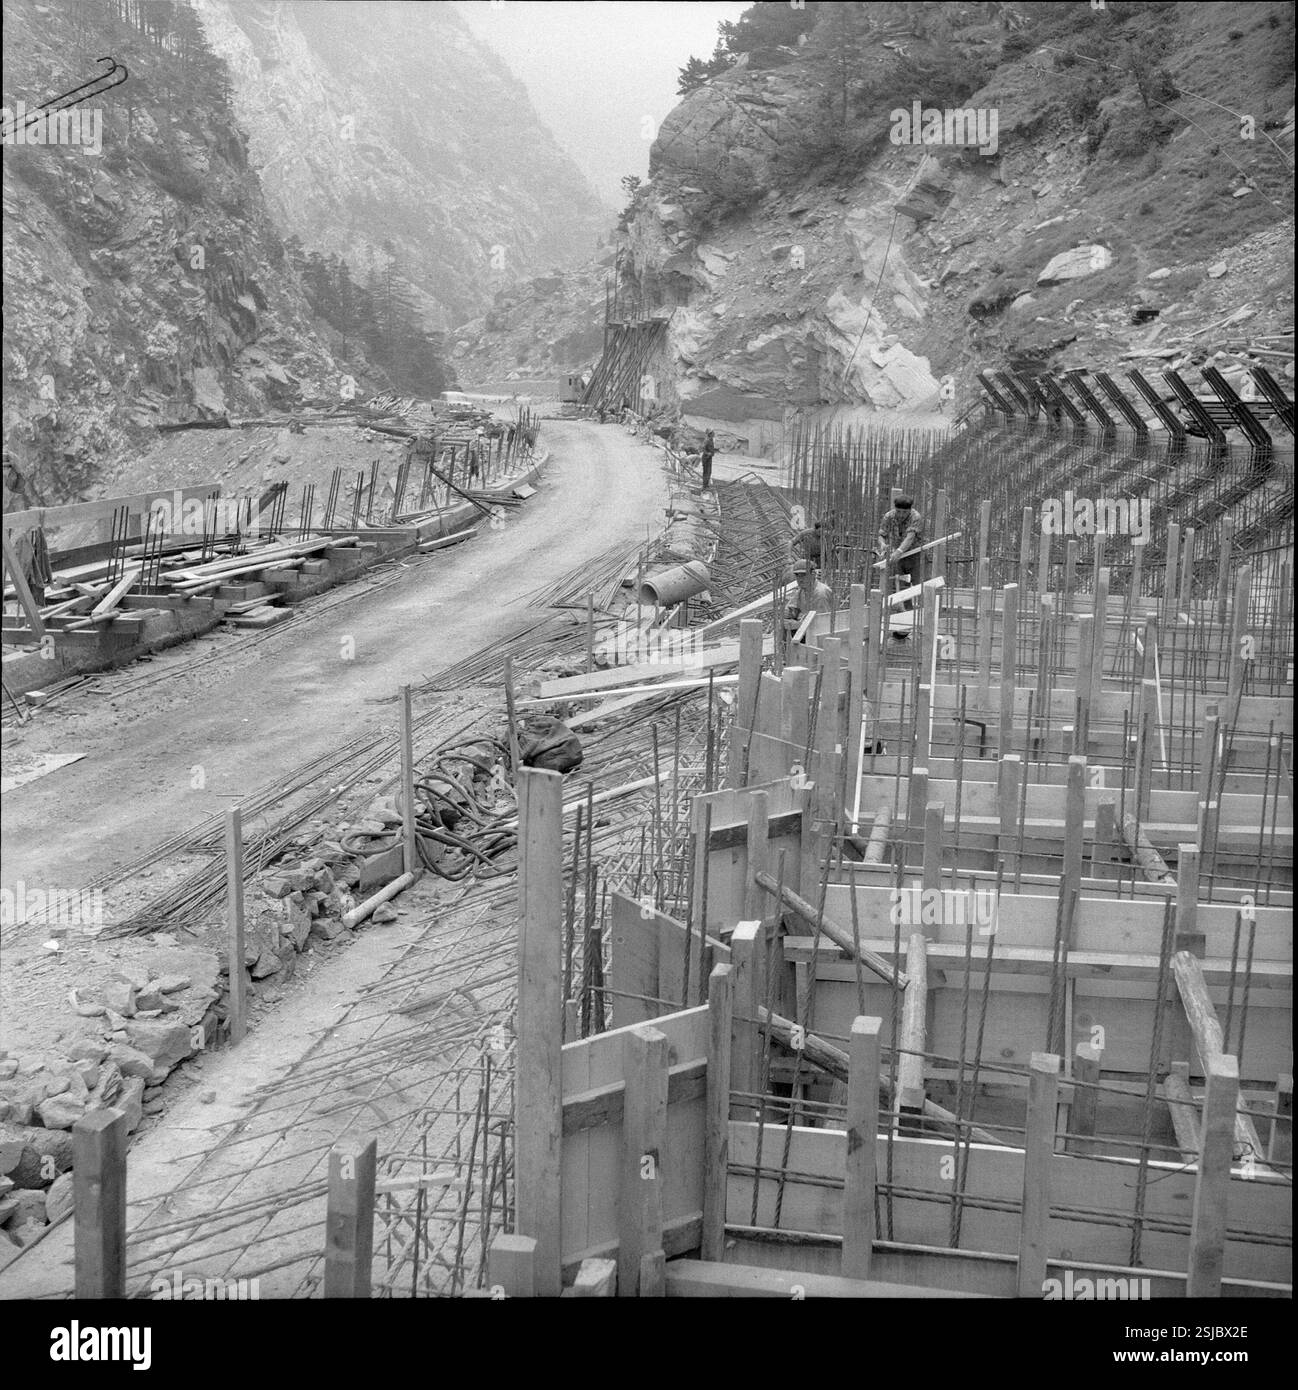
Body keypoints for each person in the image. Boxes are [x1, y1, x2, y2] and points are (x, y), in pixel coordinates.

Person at [875, 495, 924, 609]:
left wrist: (899, 551)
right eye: (898, 511)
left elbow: (910, 537)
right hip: (898, 556)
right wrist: (882, 544)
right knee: (902, 586)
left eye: (904, 512)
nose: (901, 515)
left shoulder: (915, 517)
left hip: (916, 554)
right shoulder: (889, 516)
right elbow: (881, 535)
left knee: (919, 584)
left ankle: (924, 612)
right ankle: (906, 612)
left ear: (910, 510)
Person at [788, 560, 833, 626]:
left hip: (820, 631)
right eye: (797, 575)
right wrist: (790, 613)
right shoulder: (802, 590)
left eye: (804, 575)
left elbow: (821, 623)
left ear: (813, 574)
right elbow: (792, 609)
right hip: (809, 627)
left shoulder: (820, 593)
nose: (800, 579)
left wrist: (798, 624)